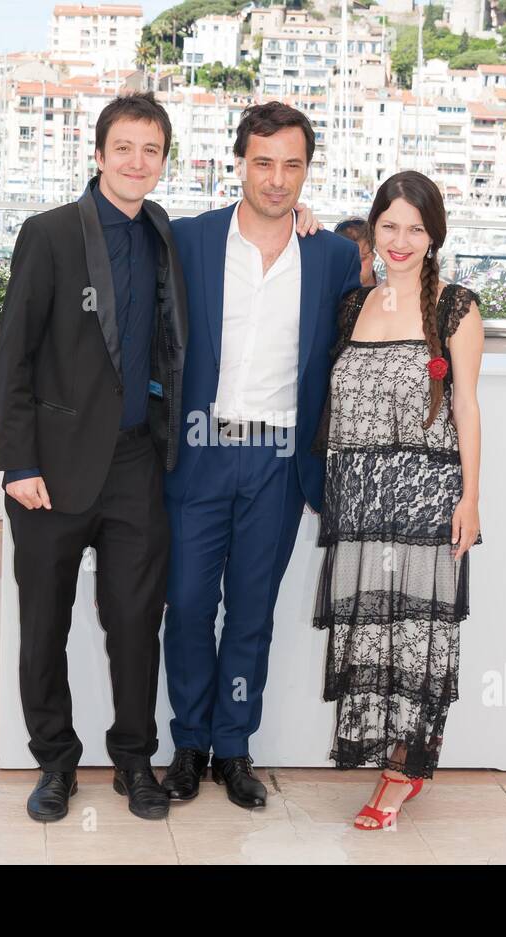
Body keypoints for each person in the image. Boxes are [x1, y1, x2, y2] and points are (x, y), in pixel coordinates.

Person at [159, 102, 362, 810]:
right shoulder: (190, 240)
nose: (277, 179)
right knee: (186, 605)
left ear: (308, 170)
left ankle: (234, 746)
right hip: (198, 452)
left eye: (292, 165)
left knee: (250, 611)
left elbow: (364, 338)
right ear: (239, 162)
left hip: (279, 459)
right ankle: (188, 744)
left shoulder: (334, 255)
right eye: (264, 162)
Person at [0, 92, 186, 823]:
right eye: (126, 147)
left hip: (138, 465)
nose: (138, 162)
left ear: (163, 161)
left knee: (137, 621)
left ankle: (135, 759)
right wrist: (18, 463)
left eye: (152, 150)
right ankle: (55, 762)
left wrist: (303, 222)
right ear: (99, 152)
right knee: (45, 623)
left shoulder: (164, 233)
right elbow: (15, 353)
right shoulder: (48, 235)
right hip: (50, 469)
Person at [312, 170, 485, 830]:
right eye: (390, 226)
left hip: (426, 500)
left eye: (416, 228)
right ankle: (393, 760)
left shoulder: (456, 308)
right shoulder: (355, 306)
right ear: (373, 230)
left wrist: (472, 496)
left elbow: (466, 405)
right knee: (370, 634)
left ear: (434, 234)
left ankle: (401, 771)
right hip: (358, 500)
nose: (402, 239)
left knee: (417, 635)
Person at [334, 217, 378, 287]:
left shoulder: (393, 293)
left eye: (360, 260)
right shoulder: (328, 294)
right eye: (346, 262)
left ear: (373, 255)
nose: (353, 268)